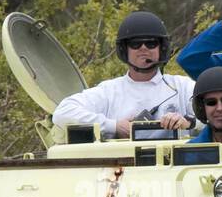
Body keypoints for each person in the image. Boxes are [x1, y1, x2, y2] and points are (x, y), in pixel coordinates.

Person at [53, 10, 195, 139]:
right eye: (135, 44)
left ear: (161, 48)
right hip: (122, 166)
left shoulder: (181, 87)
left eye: (151, 43)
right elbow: (63, 113)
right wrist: (113, 126)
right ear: (124, 49)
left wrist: (187, 122)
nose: (143, 48)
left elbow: (214, 114)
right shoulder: (109, 91)